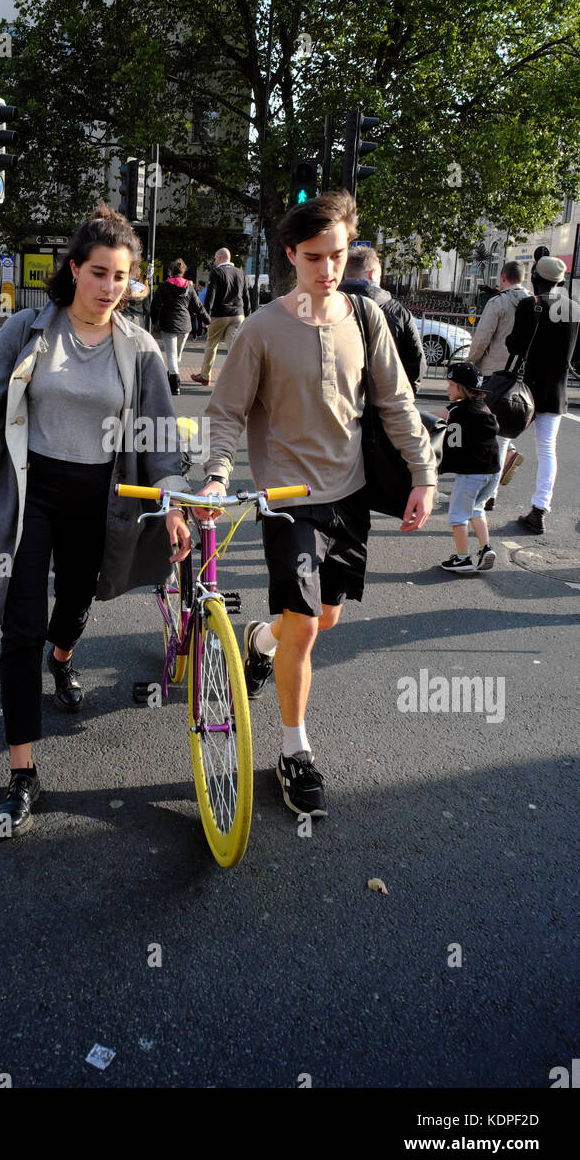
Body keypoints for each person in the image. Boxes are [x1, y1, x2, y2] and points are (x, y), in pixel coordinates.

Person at [194, 190, 436, 819]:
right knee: (303, 625)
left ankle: (258, 641)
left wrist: (424, 475)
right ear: (290, 256)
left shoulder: (367, 318)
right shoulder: (261, 329)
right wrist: (218, 476)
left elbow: (396, 403)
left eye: (338, 254)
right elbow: (224, 414)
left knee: (324, 621)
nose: (328, 269)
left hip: (350, 494)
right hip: (286, 498)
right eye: (313, 257)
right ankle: (294, 749)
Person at [0, 203, 191, 838]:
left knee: (79, 597)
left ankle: (64, 654)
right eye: (99, 273)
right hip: (32, 492)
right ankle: (23, 772)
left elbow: (159, 429)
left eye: (122, 276)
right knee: (19, 624)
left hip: (103, 493)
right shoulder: (30, 329)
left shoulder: (138, 347)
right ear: (73, 269)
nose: (110, 287)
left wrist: (171, 500)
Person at [504, 255, 580, 534]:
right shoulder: (574, 309)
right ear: (561, 281)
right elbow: (579, 356)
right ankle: (539, 510)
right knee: (547, 451)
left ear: (535, 278)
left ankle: (486, 499)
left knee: (501, 442)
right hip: (555, 391)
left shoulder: (530, 305)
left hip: (522, 391)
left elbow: (514, 344)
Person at [464, 260, 529, 511]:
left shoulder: (498, 302)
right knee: (504, 432)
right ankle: (506, 460)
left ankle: (488, 491)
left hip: (494, 373)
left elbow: (482, 339)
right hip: (522, 377)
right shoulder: (535, 304)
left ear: (503, 278)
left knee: (486, 428)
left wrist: (469, 365)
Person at [435, 362, 500, 573]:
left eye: (451, 384)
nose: (448, 388)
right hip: (492, 472)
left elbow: (434, 417)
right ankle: (485, 547)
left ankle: (462, 559)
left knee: (457, 515)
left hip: (472, 474)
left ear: (462, 387)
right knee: (476, 509)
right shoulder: (484, 407)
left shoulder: (457, 409)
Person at [338, 245, 424, 393]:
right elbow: (416, 359)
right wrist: (405, 395)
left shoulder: (329, 306)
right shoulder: (397, 311)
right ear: (372, 274)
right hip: (384, 397)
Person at [190, 247, 250, 385]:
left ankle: (205, 376)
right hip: (238, 315)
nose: (215, 261)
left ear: (220, 258)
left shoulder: (217, 272)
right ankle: (240, 377)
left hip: (220, 314)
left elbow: (211, 295)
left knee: (212, 344)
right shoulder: (240, 272)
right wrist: (248, 314)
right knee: (234, 347)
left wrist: (206, 316)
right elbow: (246, 295)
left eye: (216, 258)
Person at [149, 257, 209, 394]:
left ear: (171, 270)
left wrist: (154, 320)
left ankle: (174, 384)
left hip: (168, 324)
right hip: (185, 325)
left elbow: (155, 305)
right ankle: (172, 377)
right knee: (176, 355)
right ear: (183, 271)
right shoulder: (189, 286)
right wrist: (207, 319)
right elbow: (198, 306)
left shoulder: (164, 286)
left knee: (171, 355)